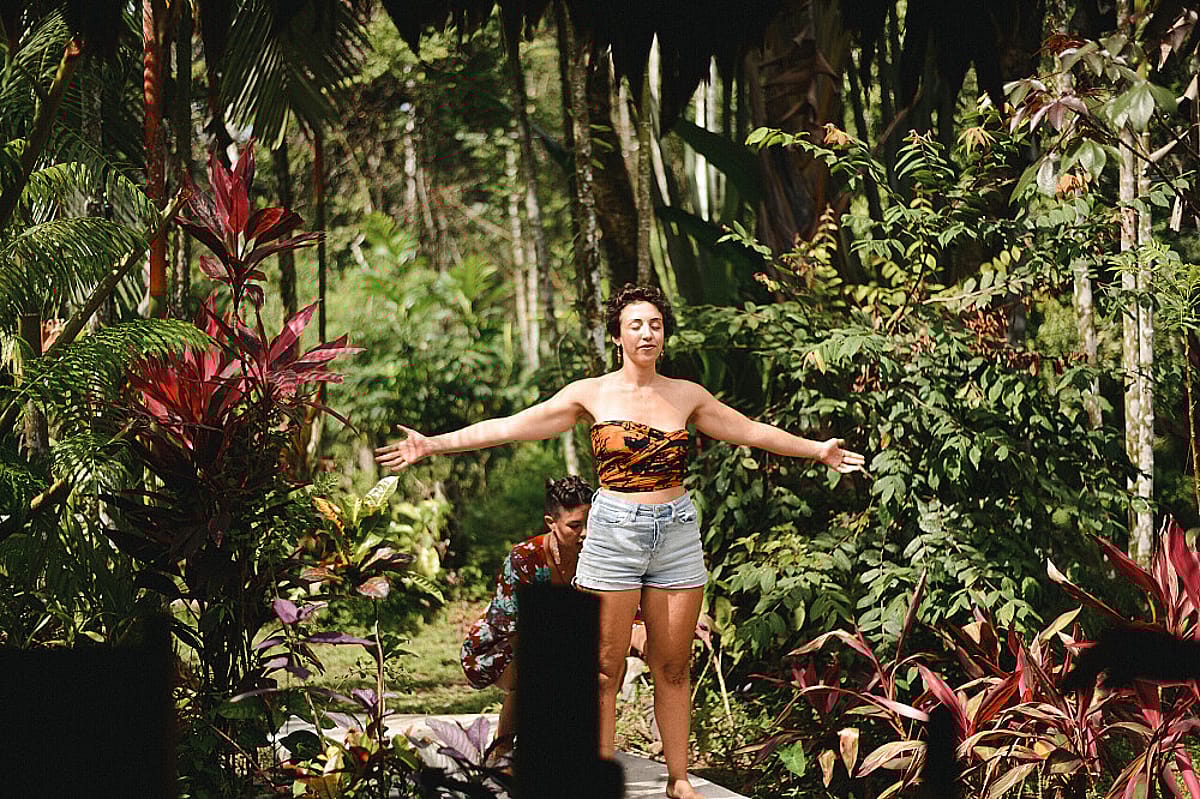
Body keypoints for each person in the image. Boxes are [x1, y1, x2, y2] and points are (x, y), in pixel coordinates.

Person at [377, 284, 865, 799]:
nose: (646, 332)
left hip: (675, 532)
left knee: (673, 667)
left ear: (664, 334)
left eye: (654, 324)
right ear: (617, 336)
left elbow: (750, 431)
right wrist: (434, 444)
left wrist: (818, 450)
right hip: (612, 533)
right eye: (635, 324)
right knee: (604, 670)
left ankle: (679, 780)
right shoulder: (592, 393)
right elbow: (514, 426)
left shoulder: (687, 395)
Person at [459, 475, 592, 752]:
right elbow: (514, 628)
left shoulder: (595, 556)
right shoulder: (525, 557)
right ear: (550, 523)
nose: (585, 533)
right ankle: (502, 752)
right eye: (575, 526)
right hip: (495, 648)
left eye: (591, 524)